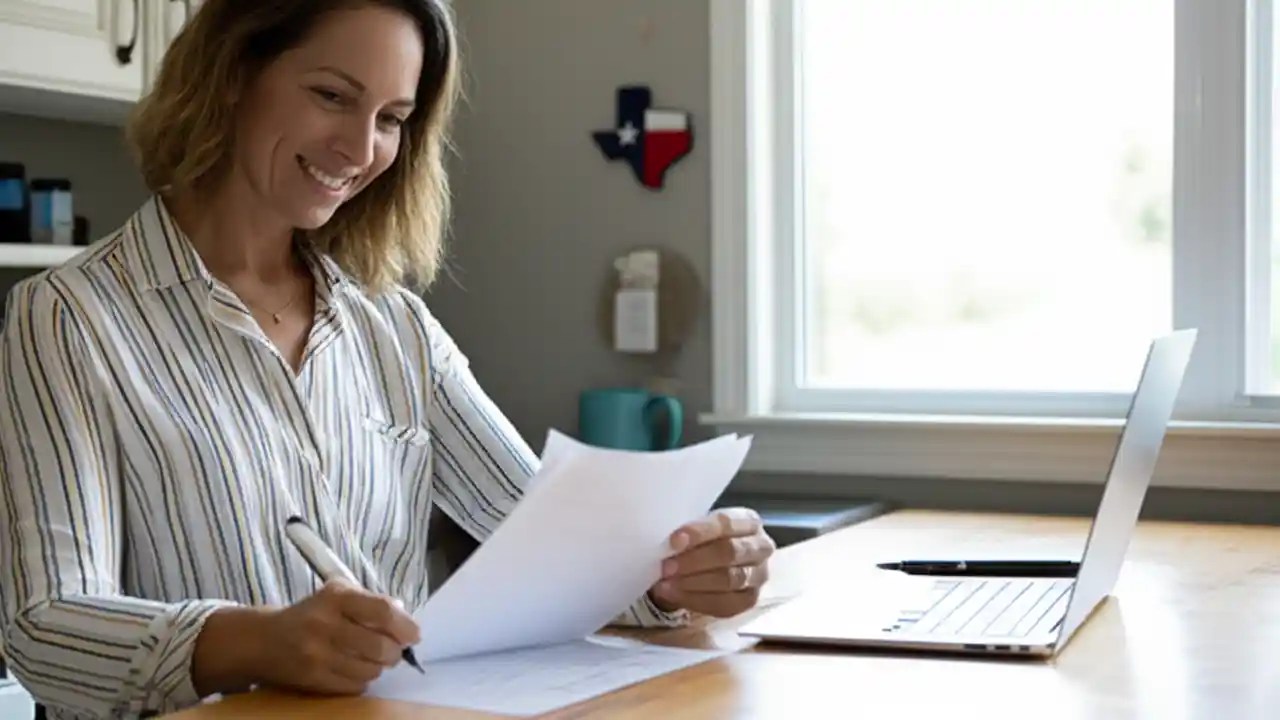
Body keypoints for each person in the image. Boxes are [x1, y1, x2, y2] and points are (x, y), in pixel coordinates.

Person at [0, 1, 775, 717]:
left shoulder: (395, 328)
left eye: (392, 118)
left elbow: (560, 553)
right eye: (333, 96)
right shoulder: (68, 317)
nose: (361, 148)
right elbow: (45, 627)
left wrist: (680, 575)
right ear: (233, 74)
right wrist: (257, 642)